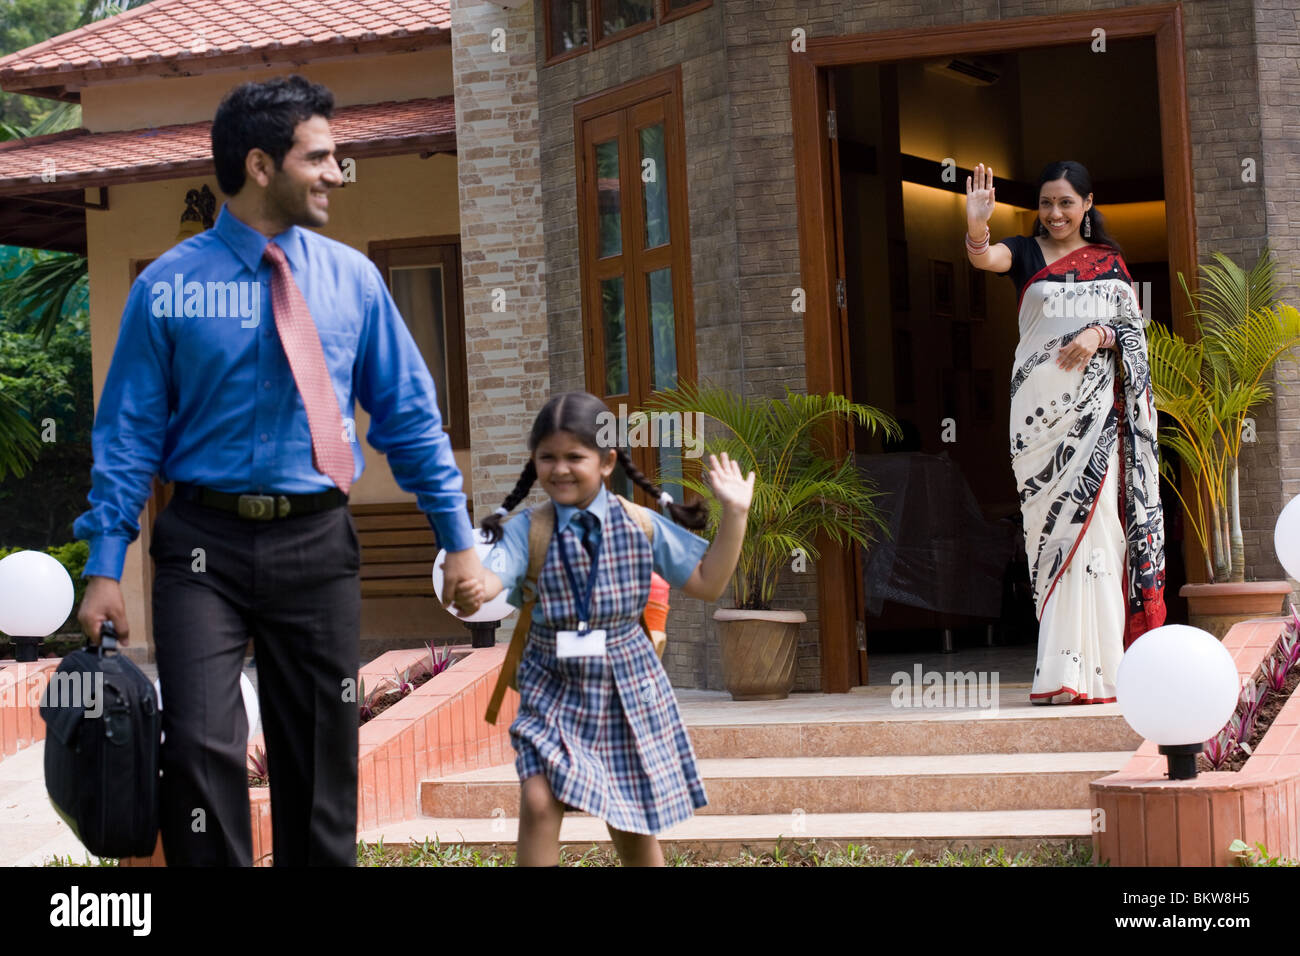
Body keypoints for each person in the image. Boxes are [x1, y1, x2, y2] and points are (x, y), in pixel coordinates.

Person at [72, 75, 485, 865]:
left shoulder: (353, 282)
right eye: (320, 157)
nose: (337, 172)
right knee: (197, 747)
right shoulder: (166, 289)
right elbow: (126, 437)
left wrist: (458, 539)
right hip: (201, 551)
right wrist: (103, 569)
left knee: (322, 759)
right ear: (261, 165)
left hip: (317, 546)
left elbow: (409, 418)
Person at [456, 391, 752, 866]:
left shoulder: (642, 526)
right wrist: (475, 589)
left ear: (608, 460)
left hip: (626, 688)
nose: (560, 469)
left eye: (575, 456)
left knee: (630, 823)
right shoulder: (527, 530)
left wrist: (735, 514)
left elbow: (707, 581)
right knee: (538, 800)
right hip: (551, 684)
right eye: (547, 457)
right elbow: (493, 577)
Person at [964, 160, 1166, 704]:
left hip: (1093, 418)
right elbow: (985, 258)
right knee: (1048, 538)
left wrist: (1101, 332)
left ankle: (1101, 673)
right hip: (1035, 419)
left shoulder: (1110, 264)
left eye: (1066, 203)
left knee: (1097, 532)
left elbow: (1134, 329)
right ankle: (1058, 673)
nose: (1055, 213)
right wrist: (977, 225)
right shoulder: (1024, 253)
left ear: (1087, 204)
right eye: (1047, 203)